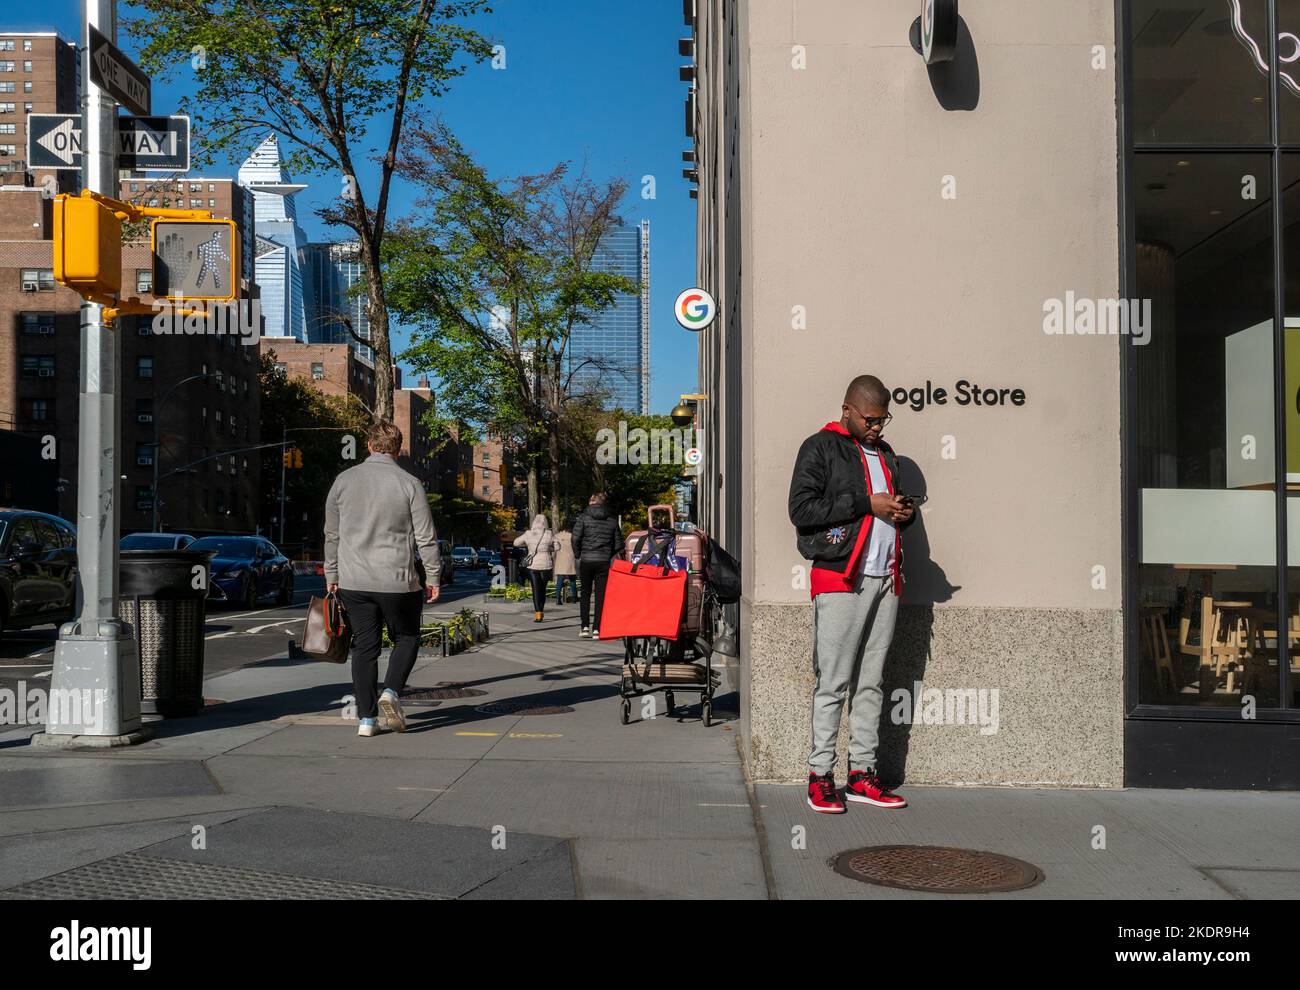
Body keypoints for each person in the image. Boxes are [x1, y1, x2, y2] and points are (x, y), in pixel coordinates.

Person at [788, 375, 916, 813]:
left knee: (871, 683)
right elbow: (801, 510)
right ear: (848, 409)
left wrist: (902, 511)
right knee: (834, 682)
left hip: (886, 577)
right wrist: (868, 503)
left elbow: (886, 511)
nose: (879, 427)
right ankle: (819, 777)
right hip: (842, 576)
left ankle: (862, 775)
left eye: (884, 419)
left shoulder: (886, 455)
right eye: (872, 418)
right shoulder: (820, 447)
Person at [324, 421, 441, 738]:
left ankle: (366, 719)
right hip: (397, 580)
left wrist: (332, 574)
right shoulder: (409, 483)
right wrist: (433, 575)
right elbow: (426, 537)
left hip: (354, 580)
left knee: (364, 648)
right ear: (399, 448)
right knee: (407, 637)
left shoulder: (343, 481)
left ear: (369, 445)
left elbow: (332, 534)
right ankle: (391, 691)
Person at [571, 492, 621, 639]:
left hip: (586, 559)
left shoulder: (583, 518)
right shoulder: (612, 520)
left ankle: (584, 626)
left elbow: (575, 538)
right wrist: (608, 553)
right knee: (601, 595)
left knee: (585, 593)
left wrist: (578, 554)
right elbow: (618, 544)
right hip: (604, 561)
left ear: (592, 502)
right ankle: (597, 629)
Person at [514, 514, 557, 622]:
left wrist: (528, 546)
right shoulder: (549, 533)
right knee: (543, 589)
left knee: (535, 589)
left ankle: (538, 613)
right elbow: (558, 547)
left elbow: (516, 543)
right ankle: (541, 610)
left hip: (532, 565)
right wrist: (548, 548)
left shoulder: (528, 533)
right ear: (545, 523)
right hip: (546, 565)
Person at [553, 524, 577, 606]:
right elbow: (576, 547)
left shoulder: (556, 536)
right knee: (572, 579)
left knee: (560, 580)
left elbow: (554, 548)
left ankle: (557, 599)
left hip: (560, 560)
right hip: (570, 559)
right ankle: (574, 598)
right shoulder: (572, 536)